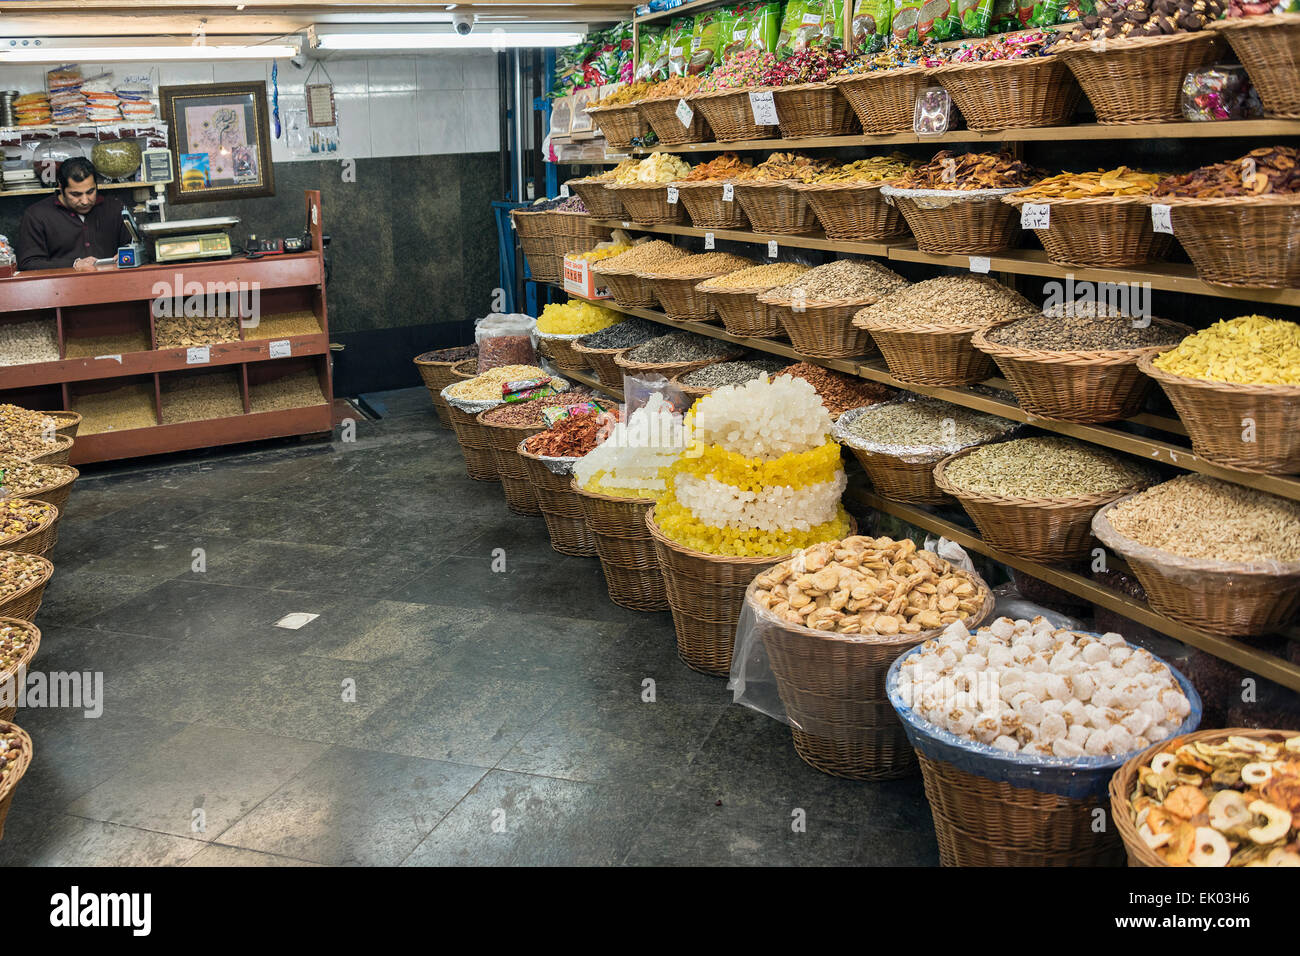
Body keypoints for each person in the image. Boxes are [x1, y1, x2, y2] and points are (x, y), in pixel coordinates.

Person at [17, 156, 132, 272]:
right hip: (59, 287)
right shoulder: (37, 215)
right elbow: (28, 263)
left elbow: (134, 246)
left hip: (111, 282)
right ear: (61, 187)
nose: (85, 201)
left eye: (90, 192)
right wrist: (73, 264)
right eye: (76, 194)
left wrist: (128, 254)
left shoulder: (114, 208)